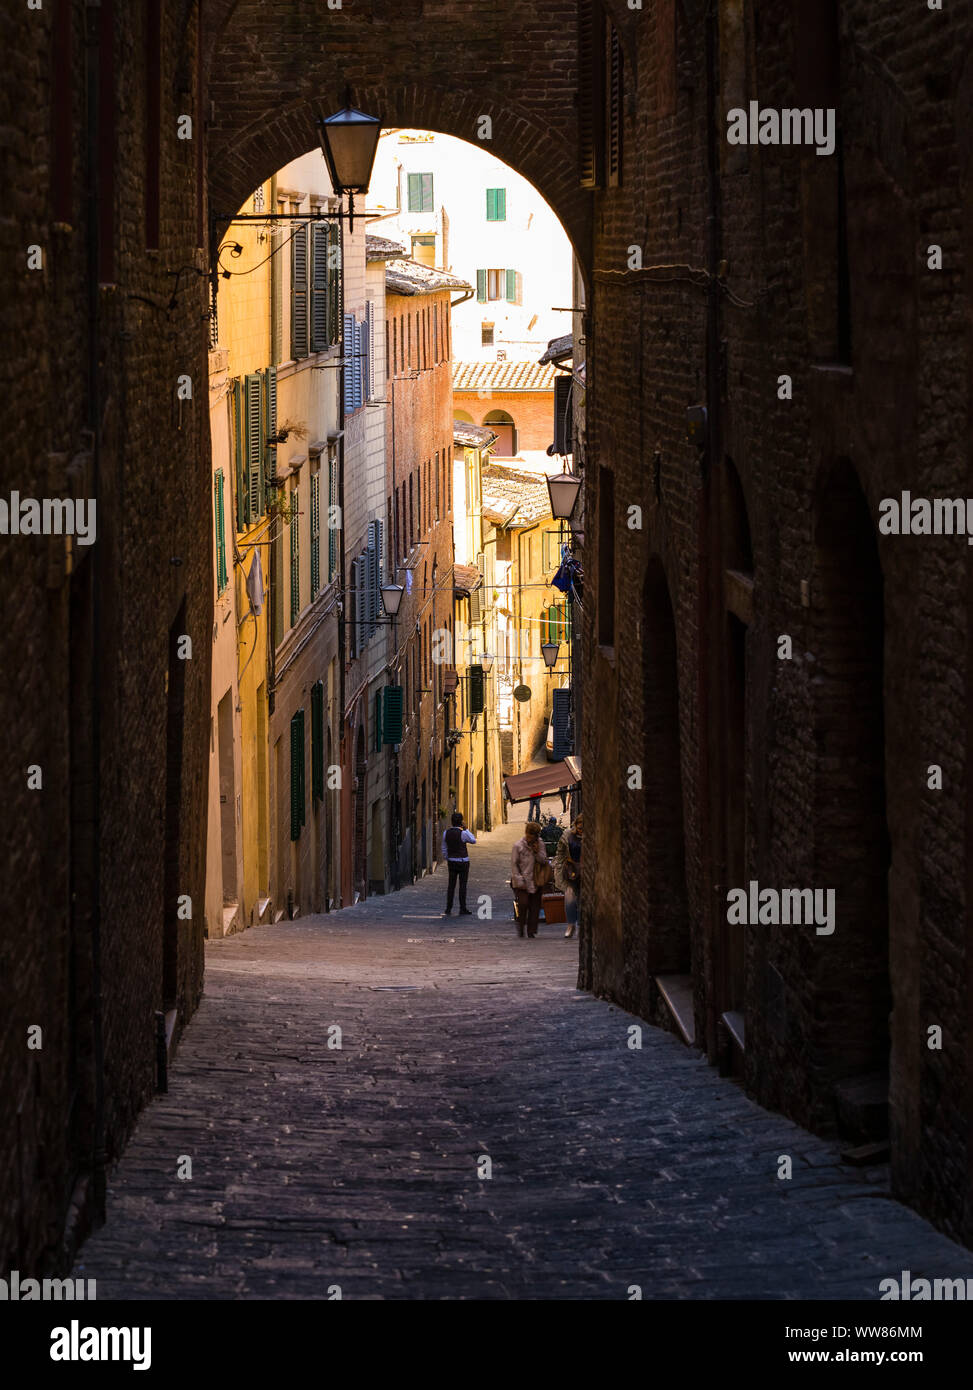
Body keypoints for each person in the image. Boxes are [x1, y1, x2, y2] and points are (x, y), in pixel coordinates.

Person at [510, 820, 550, 938]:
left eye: (532, 836)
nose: (530, 838)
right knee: (523, 904)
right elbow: (514, 864)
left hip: (536, 880)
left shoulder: (540, 844)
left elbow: (544, 861)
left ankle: (531, 931)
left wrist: (537, 852)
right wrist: (519, 880)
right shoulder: (518, 846)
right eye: (528, 834)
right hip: (522, 880)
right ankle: (521, 926)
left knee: (535, 906)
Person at [442, 811, 476, 916]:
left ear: (451, 822)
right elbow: (473, 840)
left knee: (451, 885)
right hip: (463, 862)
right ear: (461, 822)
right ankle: (462, 908)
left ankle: (448, 908)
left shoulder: (445, 833)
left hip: (452, 862)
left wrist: (448, 857)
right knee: (462, 885)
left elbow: (444, 848)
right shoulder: (463, 833)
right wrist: (466, 828)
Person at [554, 814, 582, 939]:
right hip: (570, 871)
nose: (581, 830)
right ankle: (571, 925)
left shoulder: (592, 834)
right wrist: (558, 868)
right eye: (579, 827)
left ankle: (582, 925)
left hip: (586, 872)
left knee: (584, 899)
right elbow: (560, 853)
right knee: (569, 897)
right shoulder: (567, 835)